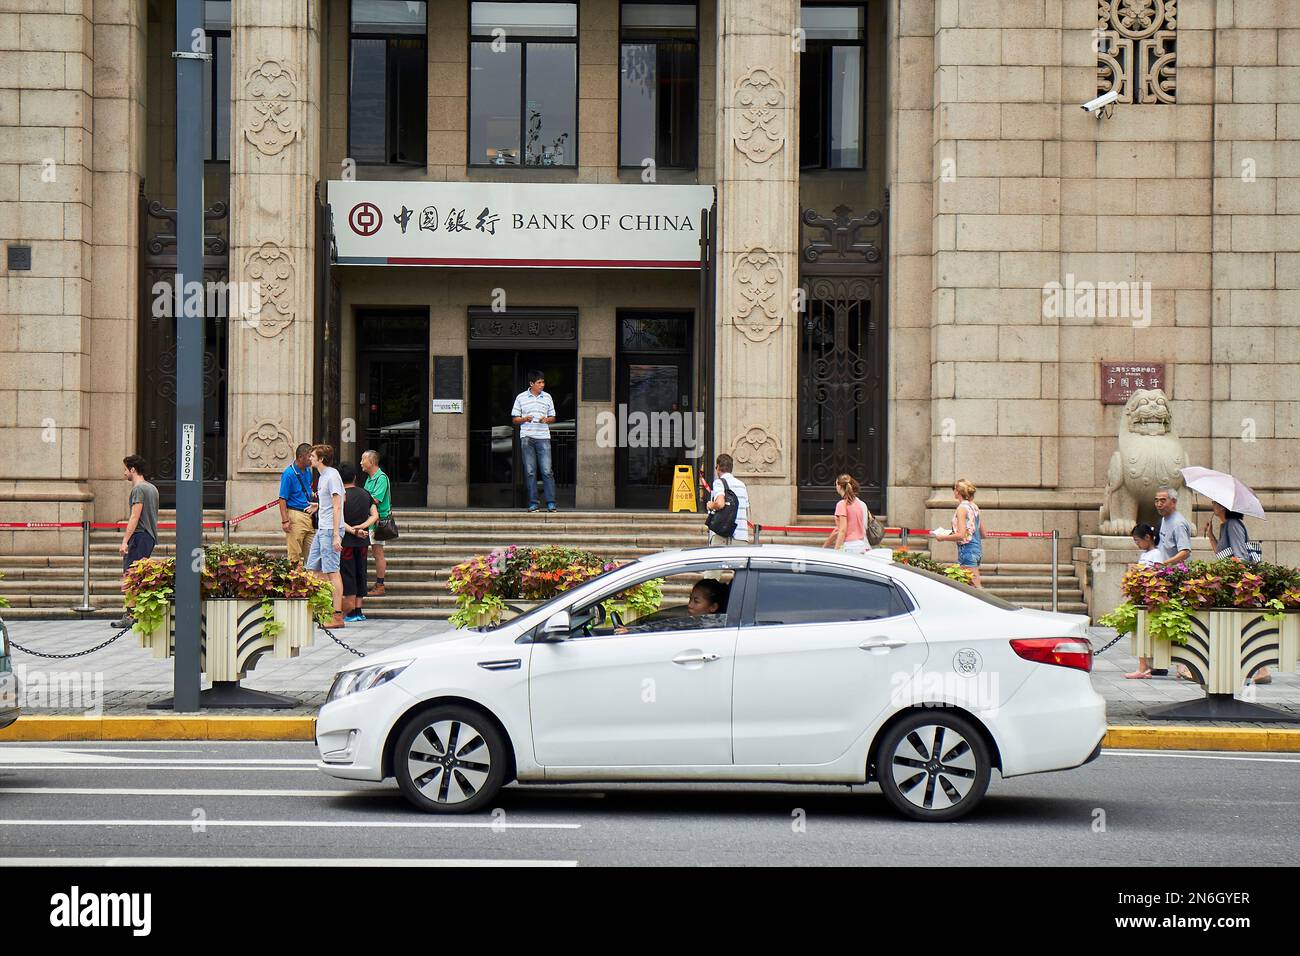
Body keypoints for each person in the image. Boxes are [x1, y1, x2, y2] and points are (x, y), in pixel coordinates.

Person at [1205, 503, 1270, 683]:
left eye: (1216, 504)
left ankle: (1262, 670)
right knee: (1238, 627)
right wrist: (1210, 536)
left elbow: (1240, 557)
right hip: (1230, 583)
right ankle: (1255, 669)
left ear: (1224, 507)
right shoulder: (1225, 526)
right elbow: (1222, 555)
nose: (1212, 506)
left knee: (1242, 626)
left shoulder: (1234, 525)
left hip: (1238, 585)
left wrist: (1236, 583)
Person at [111, 455, 159, 629]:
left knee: (130, 575)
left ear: (132, 470)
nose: (124, 473)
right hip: (150, 536)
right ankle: (138, 612)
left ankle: (130, 615)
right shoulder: (152, 488)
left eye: (125, 469)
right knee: (139, 575)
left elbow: (135, 515)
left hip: (139, 536)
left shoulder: (138, 489)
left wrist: (124, 541)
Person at [306, 443, 346, 629]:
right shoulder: (323, 477)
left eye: (313, 455)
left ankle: (337, 615)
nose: (310, 458)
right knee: (313, 568)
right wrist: (319, 506)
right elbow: (332, 503)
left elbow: (338, 504)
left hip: (330, 530)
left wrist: (337, 535)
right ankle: (324, 608)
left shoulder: (332, 476)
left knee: (332, 570)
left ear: (321, 459)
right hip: (323, 528)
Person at [511, 370, 557, 513]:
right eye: (539, 383)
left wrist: (546, 420)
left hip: (543, 437)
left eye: (543, 382)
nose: (542, 385)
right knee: (530, 471)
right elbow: (514, 419)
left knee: (546, 471)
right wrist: (525, 419)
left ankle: (551, 503)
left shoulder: (547, 397)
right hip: (527, 438)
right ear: (531, 383)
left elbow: (553, 417)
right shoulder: (521, 397)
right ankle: (533, 503)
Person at [339, 463, 379, 624]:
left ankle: (350, 610)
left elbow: (339, 520)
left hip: (346, 541)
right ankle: (359, 610)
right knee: (361, 571)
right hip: (363, 540)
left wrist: (353, 530)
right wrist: (362, 527)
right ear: (355, 477)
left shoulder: (340, 496)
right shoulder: (365, 493)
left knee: (347, 573)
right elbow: (374, 515)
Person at [616, 580, 729, 634]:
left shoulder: (709, 627)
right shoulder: (701, 623)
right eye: (690, 599)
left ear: (713, 607)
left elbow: (670, 627)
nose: (689, 605)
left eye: (696, 601)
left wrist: (634, 632)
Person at [1124, 523, 1162, 679]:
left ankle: (1144, 667)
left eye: (1137, 540)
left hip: (1150, 597)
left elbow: (1157, 571)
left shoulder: (1156, 554)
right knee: (1141, 632)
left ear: (1148, 538)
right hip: (1143, 596)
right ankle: (1143, 666)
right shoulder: (1145, 554)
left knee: (1145, 632)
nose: (1137, 543)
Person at [935, 478, 982, 587]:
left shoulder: (962, 508)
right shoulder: (974, 507)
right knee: (969, 586)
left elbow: (961, 535)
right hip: (976, 548)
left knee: (975, 586)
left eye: (954, 489)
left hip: (967, 550)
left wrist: (942, 537)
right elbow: (982, 533)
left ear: (957, 492)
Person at [277, 443, 317, 565]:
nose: (311, 459)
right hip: (295, 514)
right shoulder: (289, 473)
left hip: (309, 514)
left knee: (312, 556)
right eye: (309, 456)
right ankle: (294, 582)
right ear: (300, 457)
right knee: (294, 555)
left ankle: (309, 582)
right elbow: (282, 498)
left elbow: (308, 489)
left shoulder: (308, 472)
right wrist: (285, 520)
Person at [361, 450, 393, 595]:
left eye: (363, 459)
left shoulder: (381, 478)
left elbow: (376, 499)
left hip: (378, 522)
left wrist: (358, 497)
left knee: (378, 552)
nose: (361, 462)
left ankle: (380, 584)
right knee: (374, 552)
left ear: (372, 462)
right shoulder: (369, 478)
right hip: (369, 520)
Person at [705, 453, 750, 546]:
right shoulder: (742, 485)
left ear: (717, 467)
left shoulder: (719, 482)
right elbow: (747, 510)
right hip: (741, 536)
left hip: (722, 537)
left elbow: (720, 504)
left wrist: (710, 505)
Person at [822, 473, 869, 554]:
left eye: (836, 484)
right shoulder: (860, 503)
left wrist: (836, 551)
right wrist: (824, 547)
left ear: (839, 486)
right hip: (861, 546)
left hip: (849, 547)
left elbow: (842, 530)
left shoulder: (841, 504)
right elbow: (838, 530)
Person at [1154, 486, 1191, 566]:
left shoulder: (1178, 524)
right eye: (1156, 501)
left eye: (1163, 501)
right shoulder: (1164, 519)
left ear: (1173, 502)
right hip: (1164, 571)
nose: (1159, 504)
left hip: (1177, 574)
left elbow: (1185, 552)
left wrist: (1164, 564)